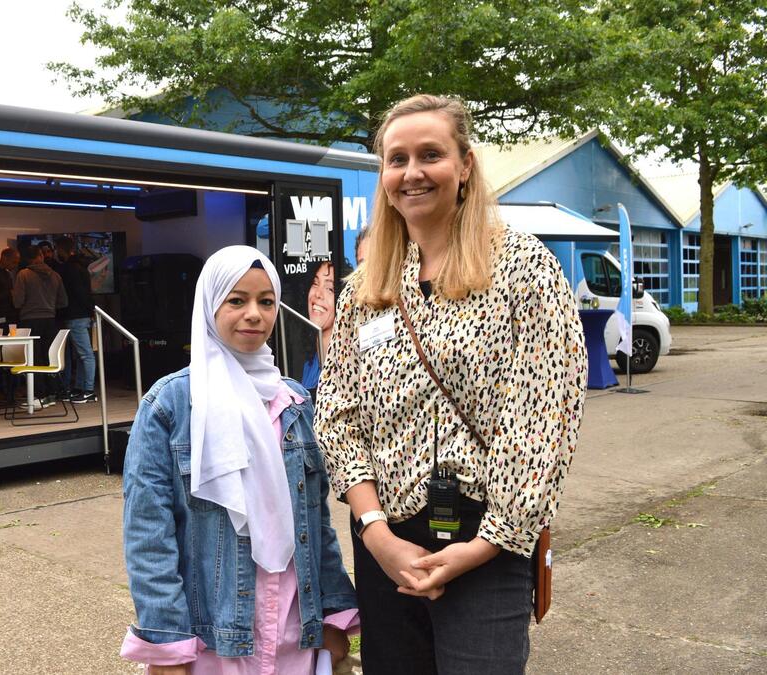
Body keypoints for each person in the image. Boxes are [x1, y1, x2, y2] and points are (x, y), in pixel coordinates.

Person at [314, 94, 587, 674]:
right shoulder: (367, 286)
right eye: (397, 159)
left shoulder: (522, 268)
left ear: (465, 165)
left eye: (430, 155)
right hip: (386, 542)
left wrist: (483, 546)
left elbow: (543, 420)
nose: (412, 172)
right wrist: (376, 535)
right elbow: (337, 414)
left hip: (486, 540)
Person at [121, 245, 358, 674]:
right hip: (214, 644)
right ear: (210, 304)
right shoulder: (170, 405)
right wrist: (167, 646)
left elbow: (316, 523)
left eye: (266, 301)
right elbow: (149, 536)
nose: (254, 314)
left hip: (293, 636)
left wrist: (332, 616)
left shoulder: (294, 402)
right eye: (236, 300)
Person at [12, 244, 67, 399]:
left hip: (29, 321)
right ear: (41, 255)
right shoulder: (55, 275)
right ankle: (53, 391)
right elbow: (63, 301)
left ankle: (39, 393)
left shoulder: (23, 275)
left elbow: (17, 302)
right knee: (50, 356)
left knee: (33, 357)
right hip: (50, 320)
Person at [50, 236, 98, 403]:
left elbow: (76, 293)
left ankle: (88, 390)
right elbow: (85, 293)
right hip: (81, 315)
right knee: (82, 355)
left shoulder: (68, 269)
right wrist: (90, 309)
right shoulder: (81, 267)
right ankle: (81, 388)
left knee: (85, 355)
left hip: (74, 315)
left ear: (60, 249)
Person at [300, 260, 336, 390]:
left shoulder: (347, 365)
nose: (318, 294)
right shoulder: (310, 363)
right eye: (315, 283)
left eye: (330, 289)